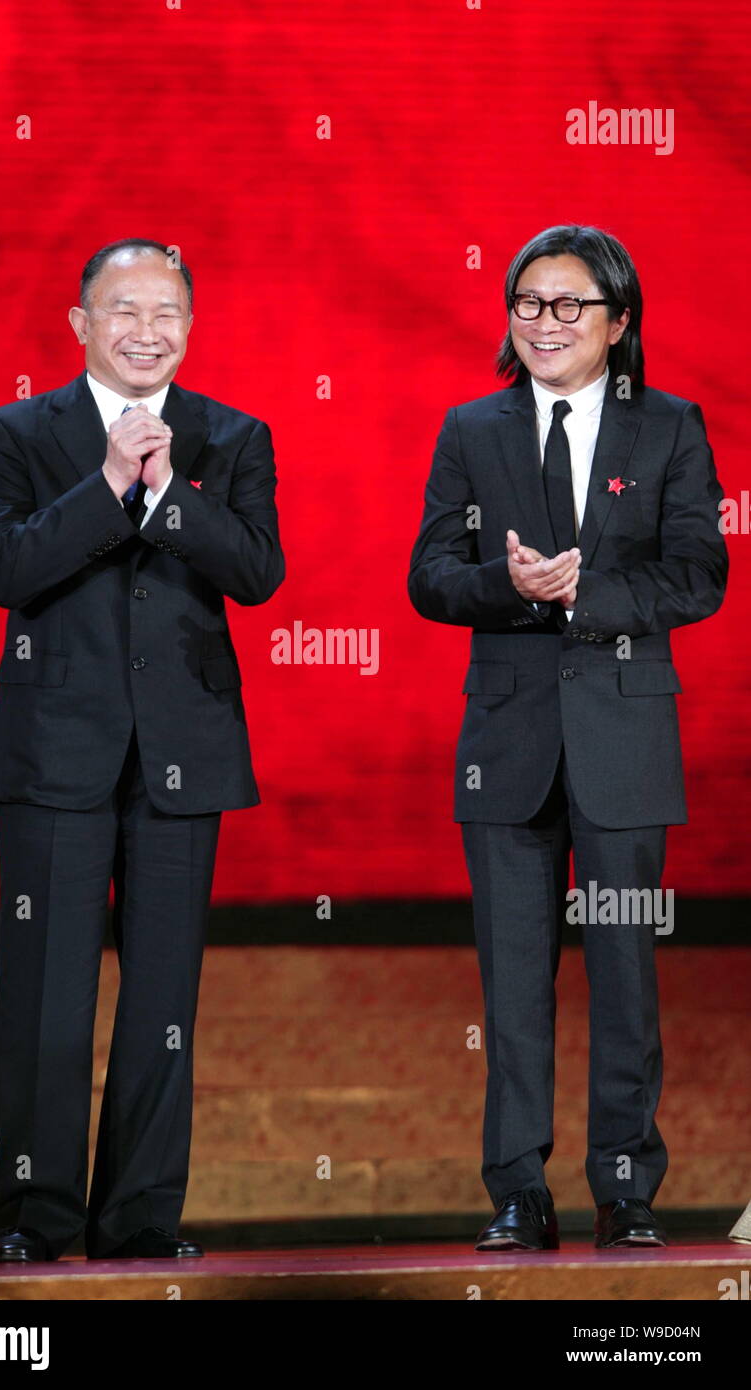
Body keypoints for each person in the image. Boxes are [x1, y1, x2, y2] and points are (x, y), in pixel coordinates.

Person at [408, 224, 727, 1251]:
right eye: (527, 305)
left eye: (568, 305)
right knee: (511, 980)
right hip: (504, 746)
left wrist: (590, 590)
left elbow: (700, 575)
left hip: (625, 747)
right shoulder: (471, 429)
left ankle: (626, 1188)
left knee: (626, 967)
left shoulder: (670, 427)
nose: (544, 323)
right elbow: (426, 577)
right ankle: (516, 1191)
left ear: (617, 320)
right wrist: (503, 583)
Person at [0, 237, 284, 1262]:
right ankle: (32, 1212)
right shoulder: (14, 431)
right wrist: (109, 482)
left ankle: (141, 1216)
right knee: (46, 995)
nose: (147, 332)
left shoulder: (231, 436)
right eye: (124, 311)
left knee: (162, 1002)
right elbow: (10, 569)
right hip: (54, 756)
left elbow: (257, 572)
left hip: (182, 755)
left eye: (167, 314)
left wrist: (168, 497)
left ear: (188, 327)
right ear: (80, 324)